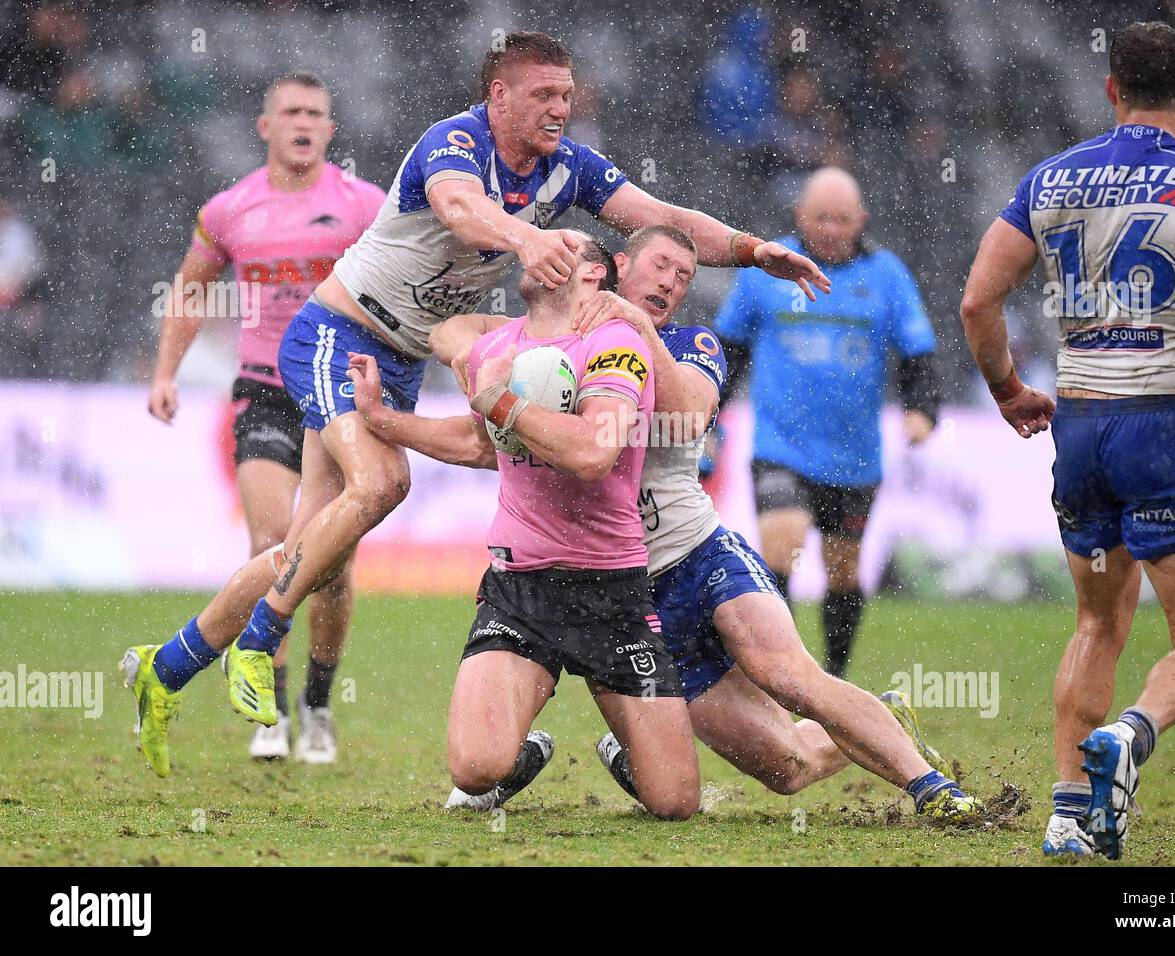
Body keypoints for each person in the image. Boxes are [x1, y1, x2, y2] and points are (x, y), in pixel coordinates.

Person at [120, 31, 828, 779]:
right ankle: (261, 642)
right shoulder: (452, 143)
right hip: (337, 332)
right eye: (544, 96)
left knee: (303, 550)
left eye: (566, 94)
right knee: (382, 484)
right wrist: (527, 240)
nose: (561, 108)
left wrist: (753, 250)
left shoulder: (570, 169)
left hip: (397, 359)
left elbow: (657, 215)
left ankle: (166, 667)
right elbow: (460, 211)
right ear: (499, 96)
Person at [430, 225, 976, 818]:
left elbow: (689, 415)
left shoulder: (692, 345)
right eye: (661, 265)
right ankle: (883, 714)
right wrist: (464, 355)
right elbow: (455, 333)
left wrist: (635, 328)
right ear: (617, 264)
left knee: (785, 674)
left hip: (698, 556)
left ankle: (933, 789)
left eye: (684, 276)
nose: (670, 281)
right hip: (624, 591)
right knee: (788, 767)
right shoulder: (552, 345)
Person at [959, 21, 1175, 859]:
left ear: (1109, 88)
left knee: (1098, 622)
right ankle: (1131, 735)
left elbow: (977, 302)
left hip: (1082, 425)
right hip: (1168, 425)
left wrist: (1006, 390)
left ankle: (1068, 815)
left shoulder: (1052, 179)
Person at [353, 235, 700, 820]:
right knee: (474, 769)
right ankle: (520, 751)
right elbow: (476, 441)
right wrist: (385, 420)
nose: (537, 250)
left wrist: (501, 403)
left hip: (610, 590)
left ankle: (624, 749)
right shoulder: (499, 345)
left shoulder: (617, 343)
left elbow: (594, 451)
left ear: (593, 272)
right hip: (520, 586)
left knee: (674, 802)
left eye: (559, 245)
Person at [146, 72, 385, 763]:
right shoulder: (229, 209)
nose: (304, 121)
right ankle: (269, 708)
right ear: (266, 127)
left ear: (330, 130)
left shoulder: (363, 205)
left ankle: (317, 702)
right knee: (275, 540)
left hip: (338, 394)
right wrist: (165, 373)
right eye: (291, 112)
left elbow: (402, 283)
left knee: (333, 565)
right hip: (263, 389)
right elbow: (190, 289)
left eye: (316, 112)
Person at [715, 166, 941, 677]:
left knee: (842, 569)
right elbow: (729, 350)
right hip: (781, 446)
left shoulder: (886, 276)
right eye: (822, 219)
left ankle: (834, 679)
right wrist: (707, 411)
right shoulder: (766, 269)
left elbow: (918, 354)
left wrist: (922, 410)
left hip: (854, 456)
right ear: (800, 217)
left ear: (861, 219)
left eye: (842, 220)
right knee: (783, 544)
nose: (833, 230)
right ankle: (785, 673)